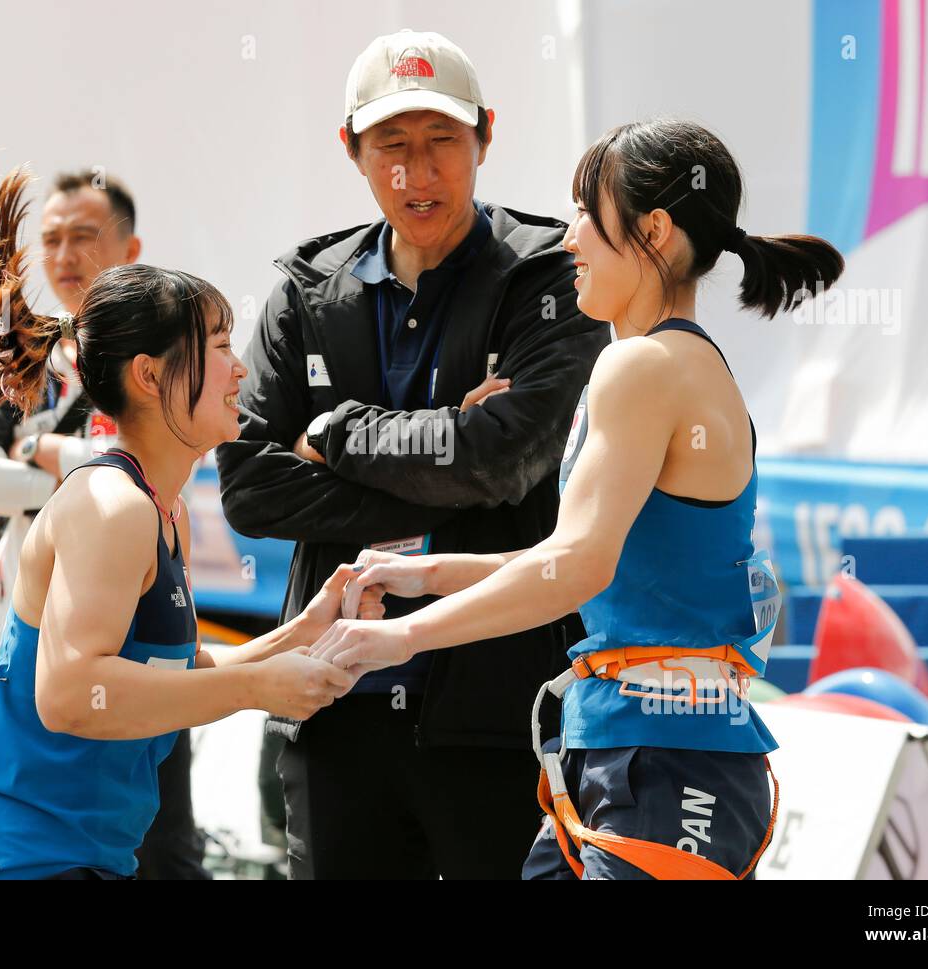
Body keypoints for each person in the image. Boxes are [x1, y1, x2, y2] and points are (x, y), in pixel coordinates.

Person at [309, 119, 845, 879]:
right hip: (632, 756)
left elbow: (578, 562)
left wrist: (403, 637)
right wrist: (426, 574)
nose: (570, 239)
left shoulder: (644, 368)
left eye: (589, 214)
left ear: (654, 230)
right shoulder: (658, 365)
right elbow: (590, 559)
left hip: (668, 765)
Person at [215, 29, 610, 880]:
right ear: (352, 149)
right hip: (331, 699)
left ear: (486, 137)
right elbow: (249, 489)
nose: (417, 172)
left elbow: (509, 461)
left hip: (498, 703)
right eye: (391, 146)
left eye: (442, 144)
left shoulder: (545, 280)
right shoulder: (307, 291)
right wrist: (455, 463)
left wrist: (334, 436)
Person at [0, 165, 368, 880]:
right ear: (147, 375)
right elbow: (74, 692)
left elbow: (177, 668)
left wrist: (305, 631)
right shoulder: (111, 507)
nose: (241, 370)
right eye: (222, 345)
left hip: (87, 862)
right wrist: (258, 689)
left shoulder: (158, 509)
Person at [0, 169, 207, 879]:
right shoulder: (25, 365)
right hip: (23, 645)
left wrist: (42, 450)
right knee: (33, 827)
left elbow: (167, 478)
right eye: (52, 239)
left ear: (131, 249)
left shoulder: (160, 368)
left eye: (84, 237)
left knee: (160, 843)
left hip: (146, 647)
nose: (64, 256)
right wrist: (92, 469)